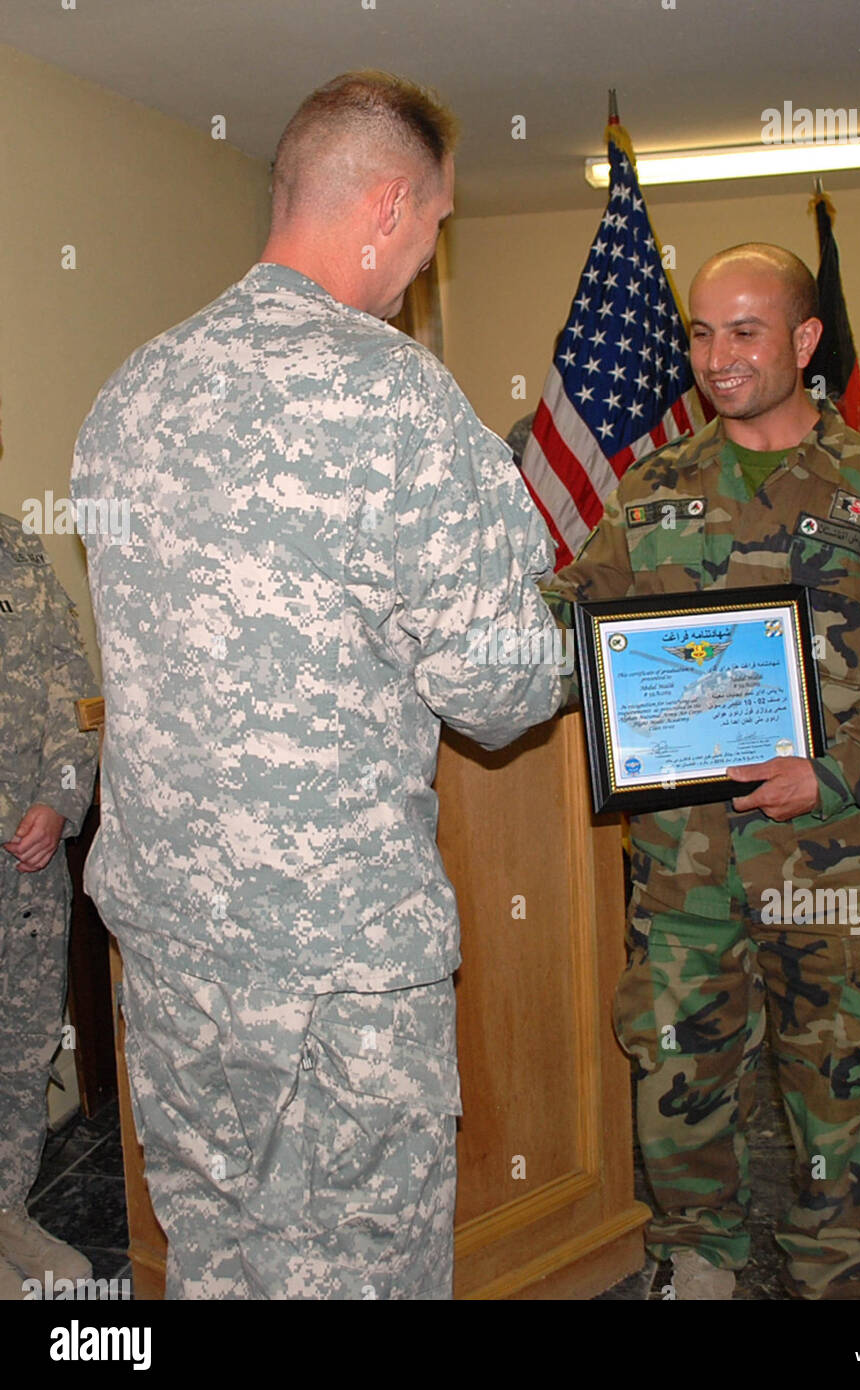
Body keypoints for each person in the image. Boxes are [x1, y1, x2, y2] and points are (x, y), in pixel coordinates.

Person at [70, 70, 562, 1300]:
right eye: (436, 228)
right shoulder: (396, 398)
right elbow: (497, 692)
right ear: (389, 205)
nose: (423, 263)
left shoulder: (127, 394)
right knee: (365, 1270)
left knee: (216, 1249)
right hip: (338, 965)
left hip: (173, 946)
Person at [541, 244, 860, 1300]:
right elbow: (574, 623)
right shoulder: (650, 489)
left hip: (829, 860)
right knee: (676, 1070)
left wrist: (829, 773)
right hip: (684, 866)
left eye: (743, 331)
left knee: (842, 1082)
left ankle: (836, 1272)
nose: (717, 356)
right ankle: (698, 1253)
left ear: (803, 340)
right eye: (700, 332)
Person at [0, 478, 99, 1298]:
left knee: (23, 1050)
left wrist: (58, 798)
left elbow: (78, 699)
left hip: (28, 874)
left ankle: (6, 1214)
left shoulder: (21, 554)